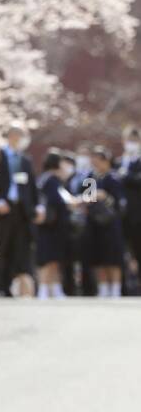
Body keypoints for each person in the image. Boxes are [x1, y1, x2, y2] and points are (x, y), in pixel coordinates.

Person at [0, 122, 37, 297]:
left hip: (21, 211)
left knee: (17, 250)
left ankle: (7, 286)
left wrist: (36, 207)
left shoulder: (25, 160)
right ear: (9, 136)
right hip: (1, 209)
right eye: (17, 135)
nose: (20, 140)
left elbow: (32, 187)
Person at [33, 149, 77, 299]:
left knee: (54, 259)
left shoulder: (46, 179)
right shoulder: (52, 180)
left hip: (52, 226)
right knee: (48, 259)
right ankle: (44, 288)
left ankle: (55, 287)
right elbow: (57, 201)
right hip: (51, 226)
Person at [85, 146, 126, 297]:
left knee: (114, 257)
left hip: (111, 223)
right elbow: (86, 197)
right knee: (98, 257)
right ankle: (102, 288)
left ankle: (115, 288)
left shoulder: (114, 178)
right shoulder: (90, 177)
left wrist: (106, 197)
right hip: (94, 223)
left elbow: (120, 202)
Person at [66, 147, 97, 296]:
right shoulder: (72, 176)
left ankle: (88, 289)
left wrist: (78, 201)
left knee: (86, 257)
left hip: (86, 222)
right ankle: (71, 288)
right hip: (71, 221)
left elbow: (91, 197)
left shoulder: (90, 175)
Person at [118, 126, 141, 294]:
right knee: (121, 251)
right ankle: (123, 288)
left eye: (134, 140)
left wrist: (126, 175)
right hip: (120, 215)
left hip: (137, 214)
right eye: (128, 140)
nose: (131, 144)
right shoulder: (118, 162)